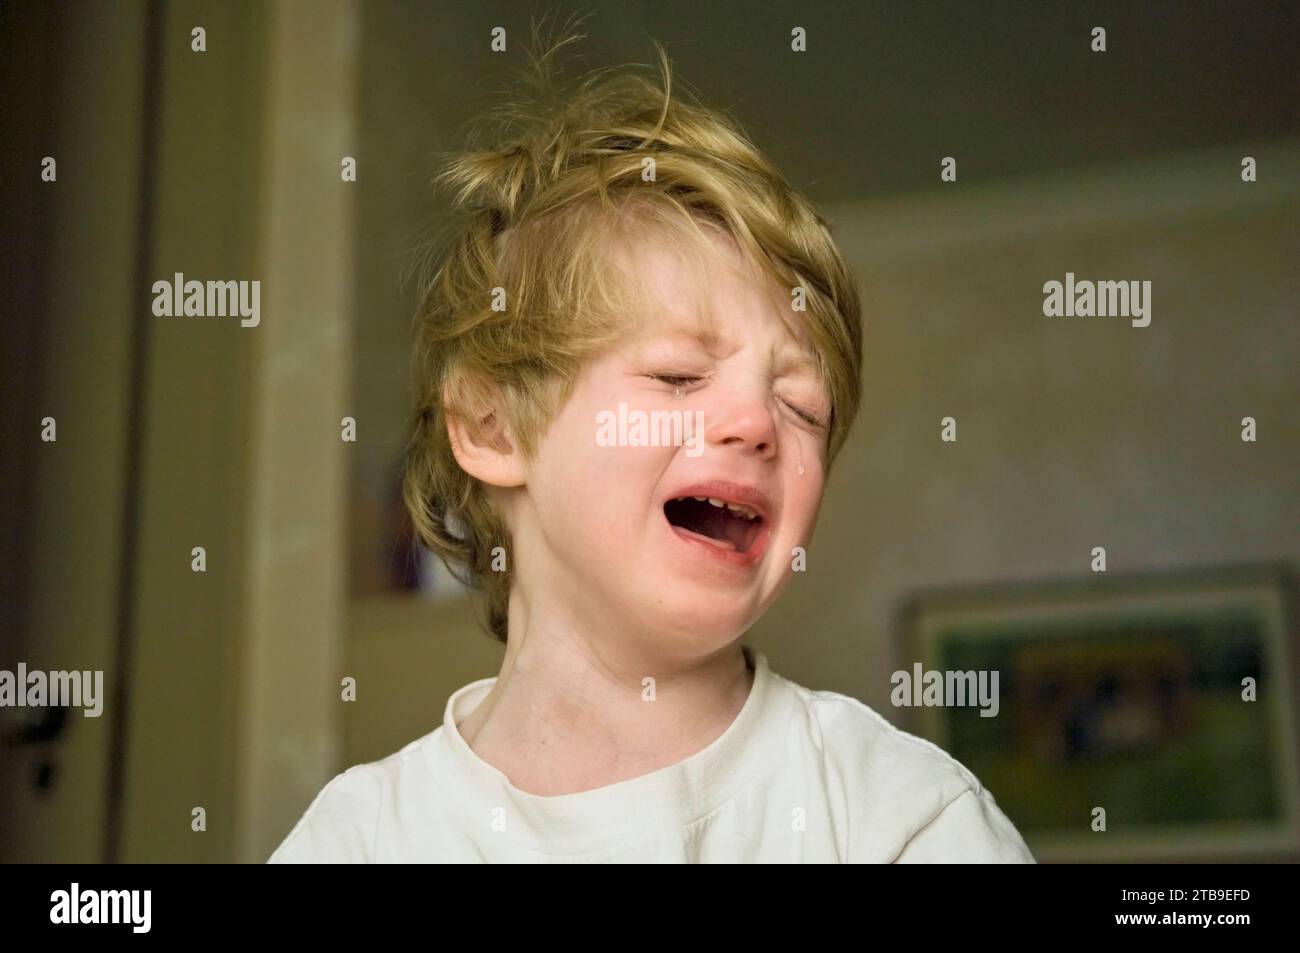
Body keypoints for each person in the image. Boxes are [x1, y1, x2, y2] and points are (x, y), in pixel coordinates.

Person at [269, 35, 1034, 864]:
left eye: (801, 405)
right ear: (492, 427)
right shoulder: (363, 838)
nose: (756, 423)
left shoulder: (901, 814)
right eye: (676, 375)